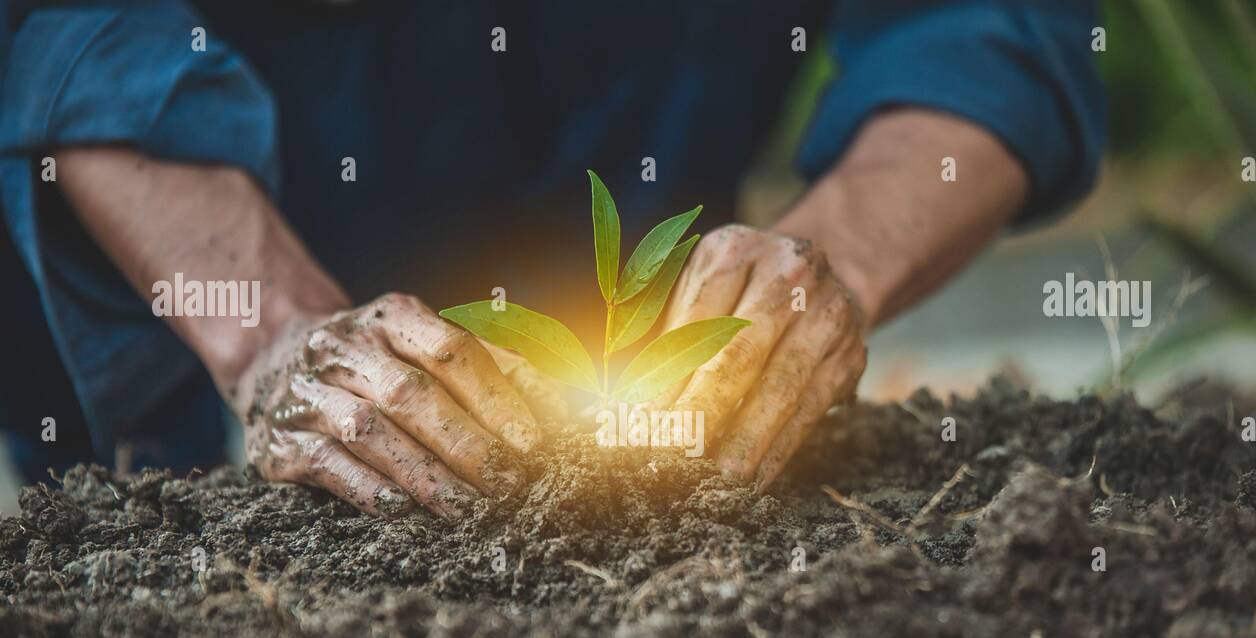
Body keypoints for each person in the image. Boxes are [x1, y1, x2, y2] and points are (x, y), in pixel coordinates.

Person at [0, 0, 1104, 515]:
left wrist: (833, 268)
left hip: (652, 399)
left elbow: (979, 20)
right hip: (185, 363)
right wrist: (276, 341)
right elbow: (63, 25)